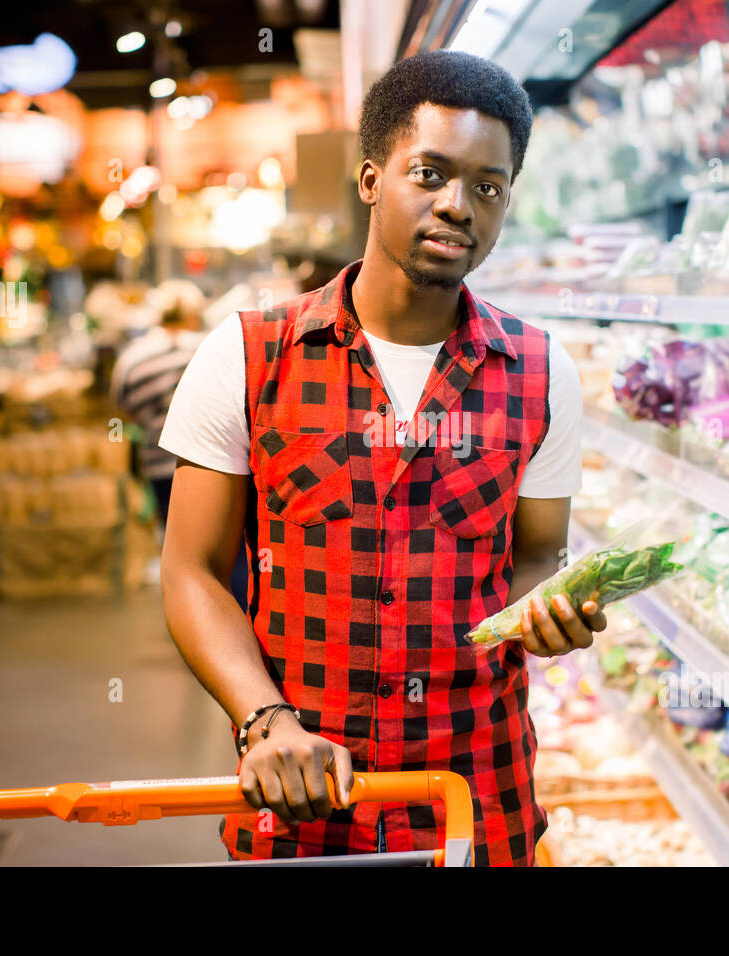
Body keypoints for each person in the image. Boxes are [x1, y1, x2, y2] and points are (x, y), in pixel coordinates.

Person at [158, 50, 595, 866]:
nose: (458, 205)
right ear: (370, 179)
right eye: (429, 173)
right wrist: (264, 718)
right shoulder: (251, 357)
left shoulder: (542, 374)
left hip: (477, 805)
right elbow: (192, 573)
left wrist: (552, 608)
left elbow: (536, 558)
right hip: (305, 807)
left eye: (488, 186)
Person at [111, 289, 249, 607]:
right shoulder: (212, 345)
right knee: (233, 549)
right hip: (222, 462)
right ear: (191, 314)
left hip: (160, 465)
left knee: (183, 555)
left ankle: (194, 616)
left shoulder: (132, 358)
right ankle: (240, 618)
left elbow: (121, 412)